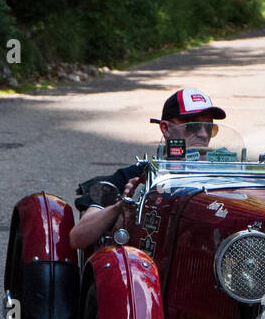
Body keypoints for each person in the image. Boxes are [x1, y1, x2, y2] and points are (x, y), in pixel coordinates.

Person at [69, 88, 227, 249]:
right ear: (165, 128)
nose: (202, 134)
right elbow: (77, 238)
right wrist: (123, 204)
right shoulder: (132, 177)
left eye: (209, 128)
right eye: (192, 126)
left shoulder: (225, 179)